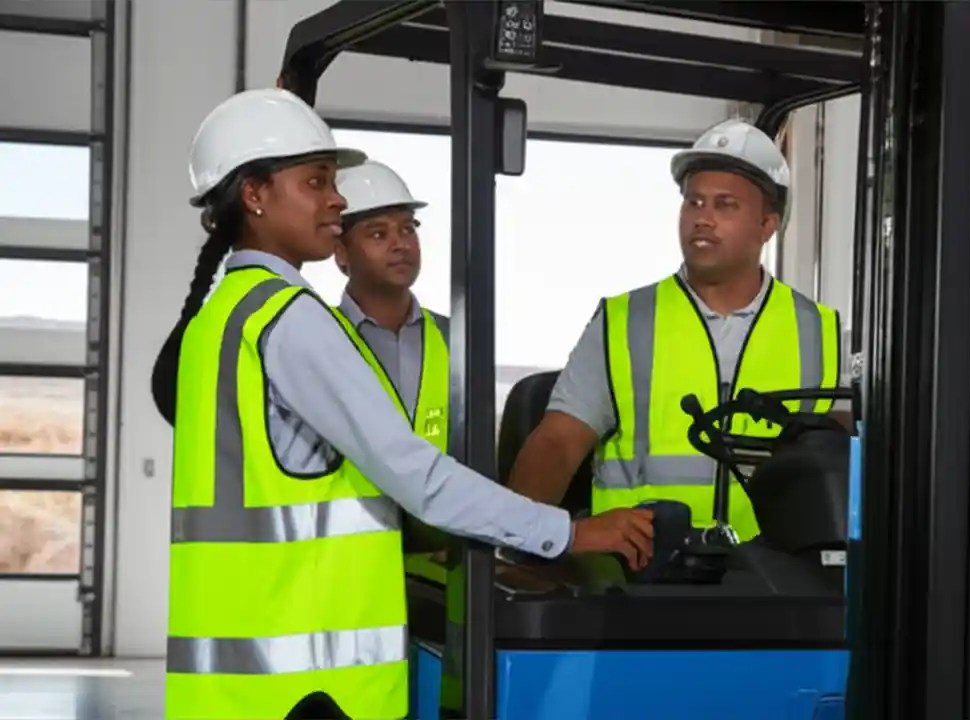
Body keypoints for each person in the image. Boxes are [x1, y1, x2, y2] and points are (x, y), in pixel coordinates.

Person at [149, 87, 654, 720]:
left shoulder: (220, 317)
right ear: (254, 195)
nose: (335, 199)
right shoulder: (291, 320)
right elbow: (417, 475)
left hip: (233, 686)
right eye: (316, 182)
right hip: (310, 688)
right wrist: (569, 531)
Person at [506, 118, 845, 543]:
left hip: (778, 582)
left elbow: (840, 463)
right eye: (693, 203)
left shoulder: (819, 330)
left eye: (725, 205)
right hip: (641, 578)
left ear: (767, 225)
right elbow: (558, 442)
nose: (702, 219)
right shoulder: (625, 320)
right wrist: (519, 547)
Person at [328, 159, 453, 582]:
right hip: (345, 564)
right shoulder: (317, 338)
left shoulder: (457, 339)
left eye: (408, 228)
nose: (401, 244)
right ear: (341, 253)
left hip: (440, 566)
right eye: (378, 233)